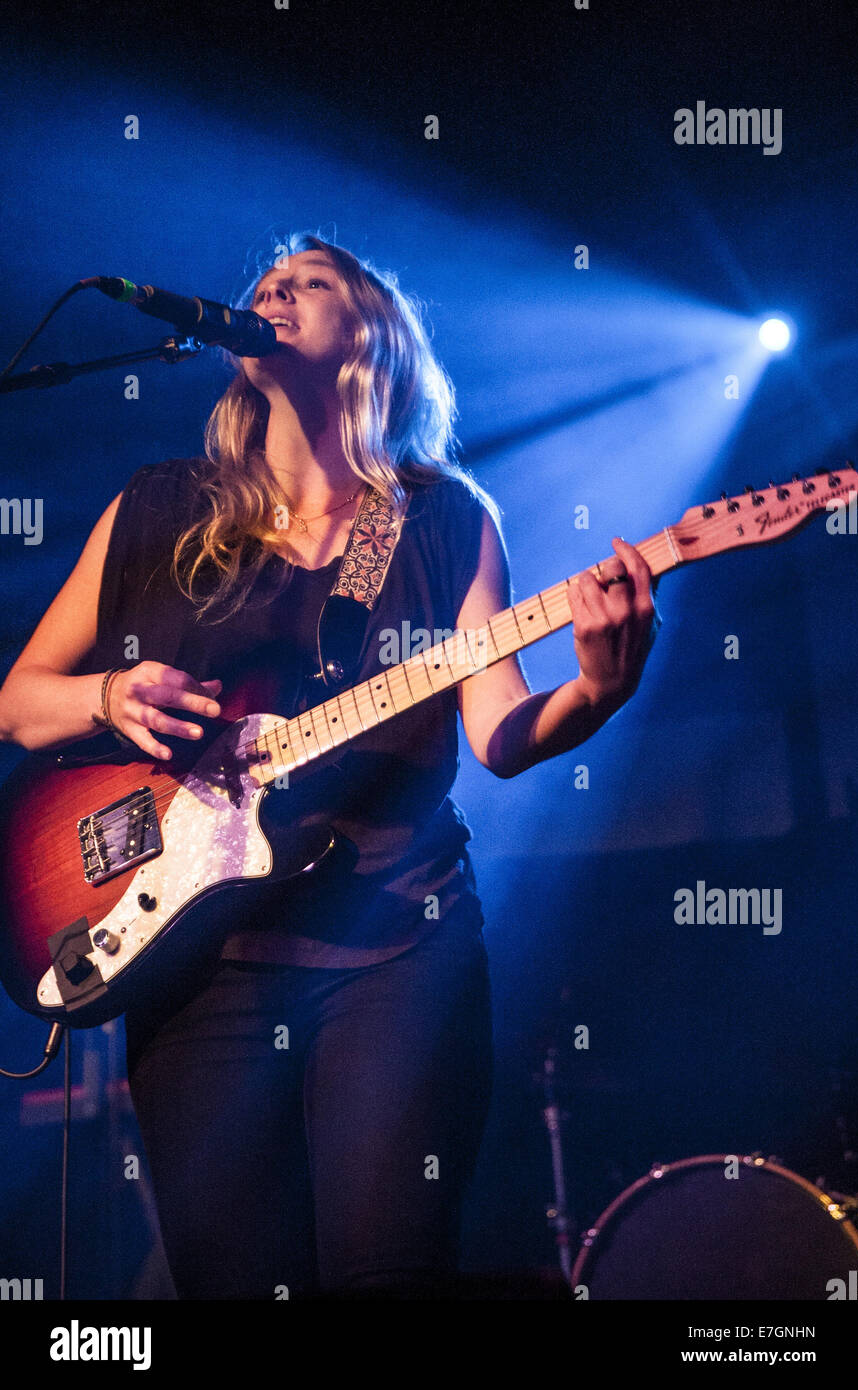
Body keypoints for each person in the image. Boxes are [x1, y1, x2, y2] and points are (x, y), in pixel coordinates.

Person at [0, 233, 658, 1299]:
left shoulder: (442, 517)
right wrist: (108, 695)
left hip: (394, 944)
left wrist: (594, 687)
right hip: (194, 964)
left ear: (375, 337)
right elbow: (19, 702)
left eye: (309, 282)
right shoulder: (156, 508)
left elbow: (496, 735)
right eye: (263, 284)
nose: (272, 292)